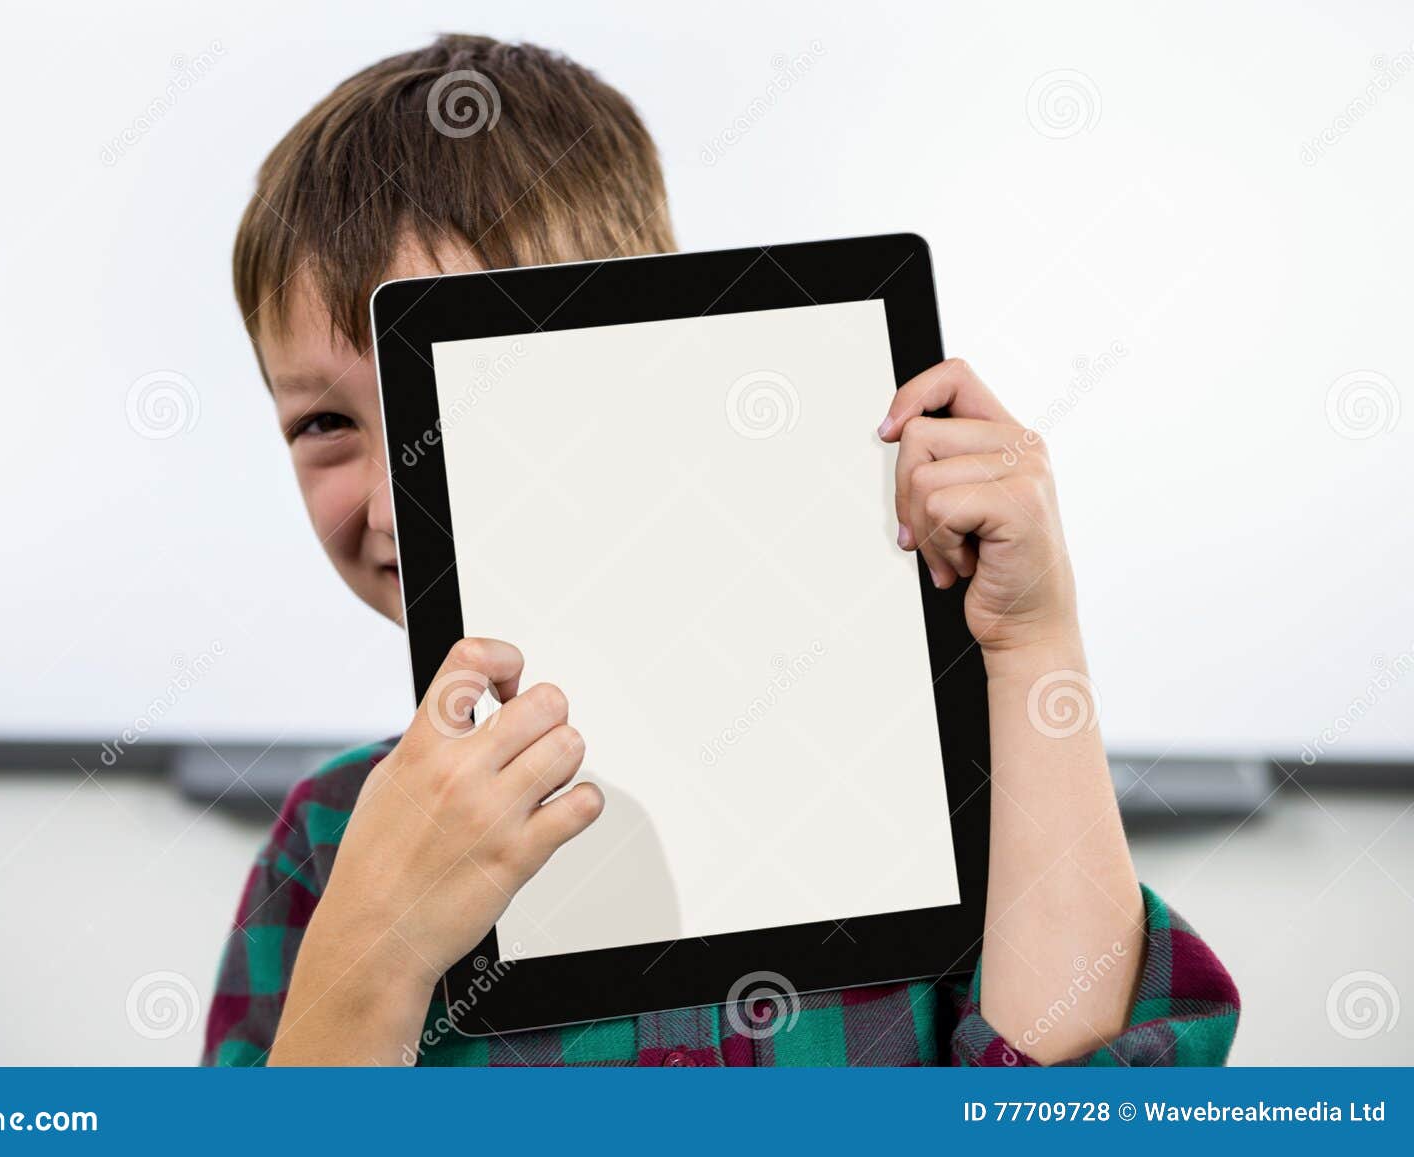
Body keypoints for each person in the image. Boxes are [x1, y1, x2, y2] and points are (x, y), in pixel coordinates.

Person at [204, 33, 1238, 1067]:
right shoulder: (329, 845)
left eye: (449, 401)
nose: (391, 502)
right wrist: (373, 946)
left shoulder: (915, 785)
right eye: (323, 425)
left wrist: (1030, 644)